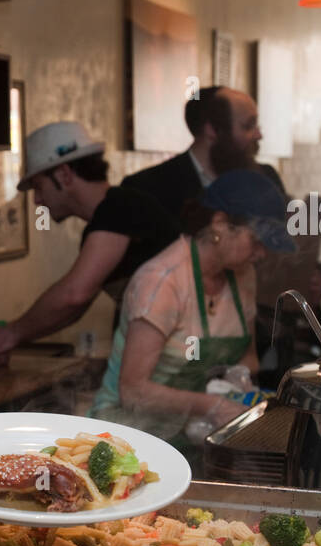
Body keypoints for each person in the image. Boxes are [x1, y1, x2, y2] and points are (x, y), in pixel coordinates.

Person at [90, 171, 295, 456]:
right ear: (220, 223)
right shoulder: (162, 281)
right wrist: (212, 405)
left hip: (187, 434)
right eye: (256, 241)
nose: (261, 254)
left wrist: (237, 384)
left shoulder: (242, 276)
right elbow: (133, 391)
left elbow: (248, 358)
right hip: (125, 436)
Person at [0, 121, 177, 364]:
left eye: (39, 187)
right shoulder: (107, 218)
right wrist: (7, 333)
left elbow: (74, 295)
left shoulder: (119, 207)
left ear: (64, 175)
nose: (37, 201)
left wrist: (10, 334)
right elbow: (71, 311)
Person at [120, 86, 286, 232]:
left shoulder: (266, 178)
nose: (259, 135)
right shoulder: (146, 189)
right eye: (248, 126)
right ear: (212, 130)